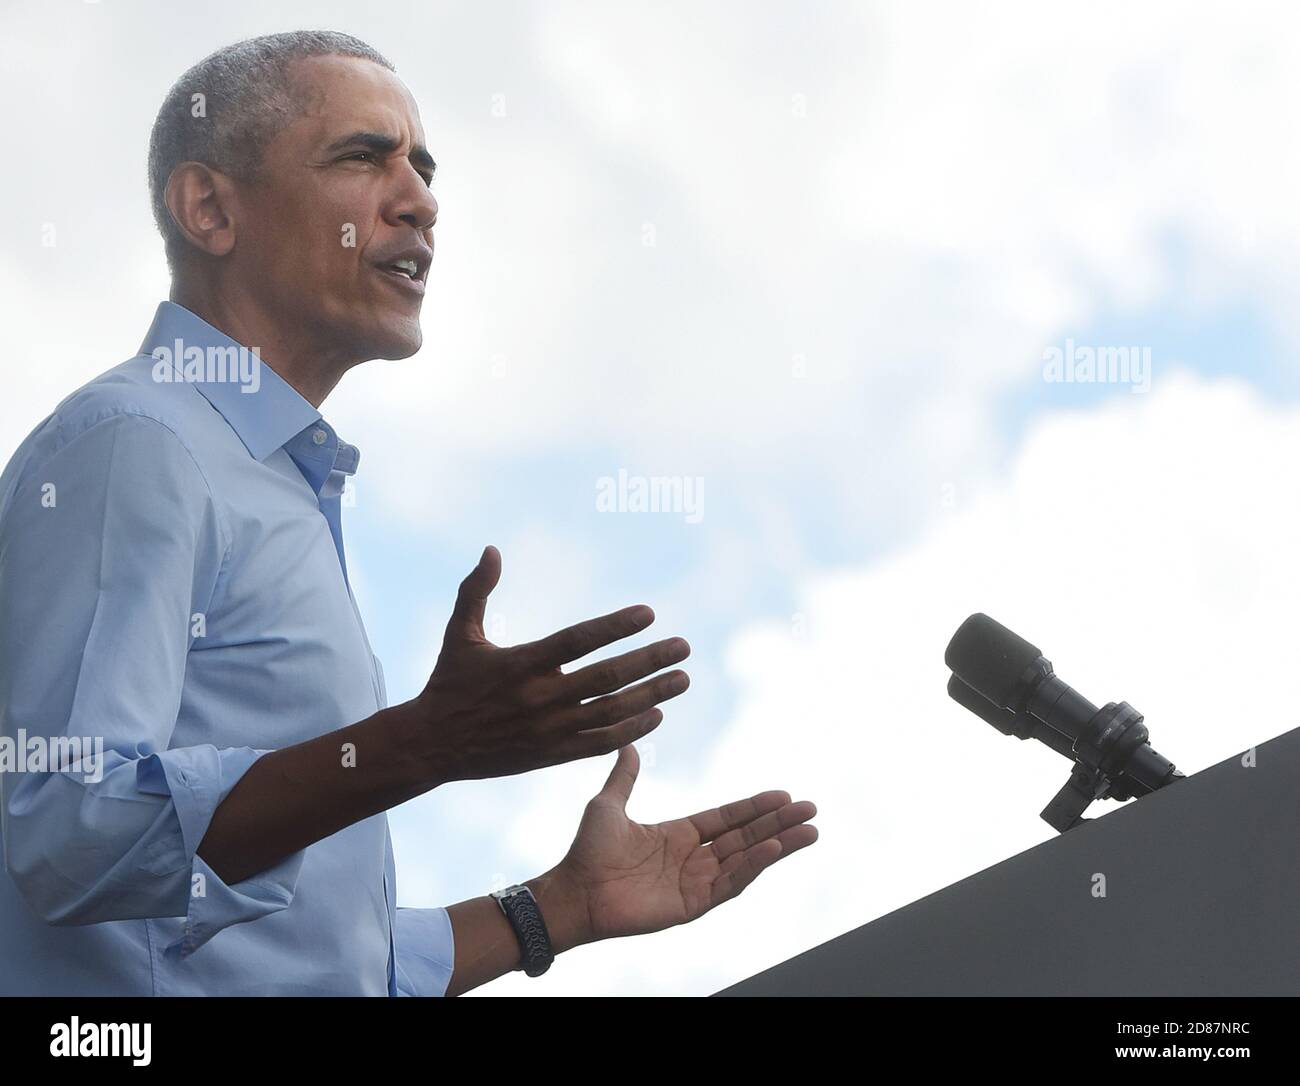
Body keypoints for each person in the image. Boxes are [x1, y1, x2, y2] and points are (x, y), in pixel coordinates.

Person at [0, 30, 817, 996]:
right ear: (210, 208)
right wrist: (422, 743)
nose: (422, 200)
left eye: (424, 169)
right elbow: (71, 828)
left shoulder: (276, 486)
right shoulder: (136, 443)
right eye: (362, 156)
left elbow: (306, 962)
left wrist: (560, 905)